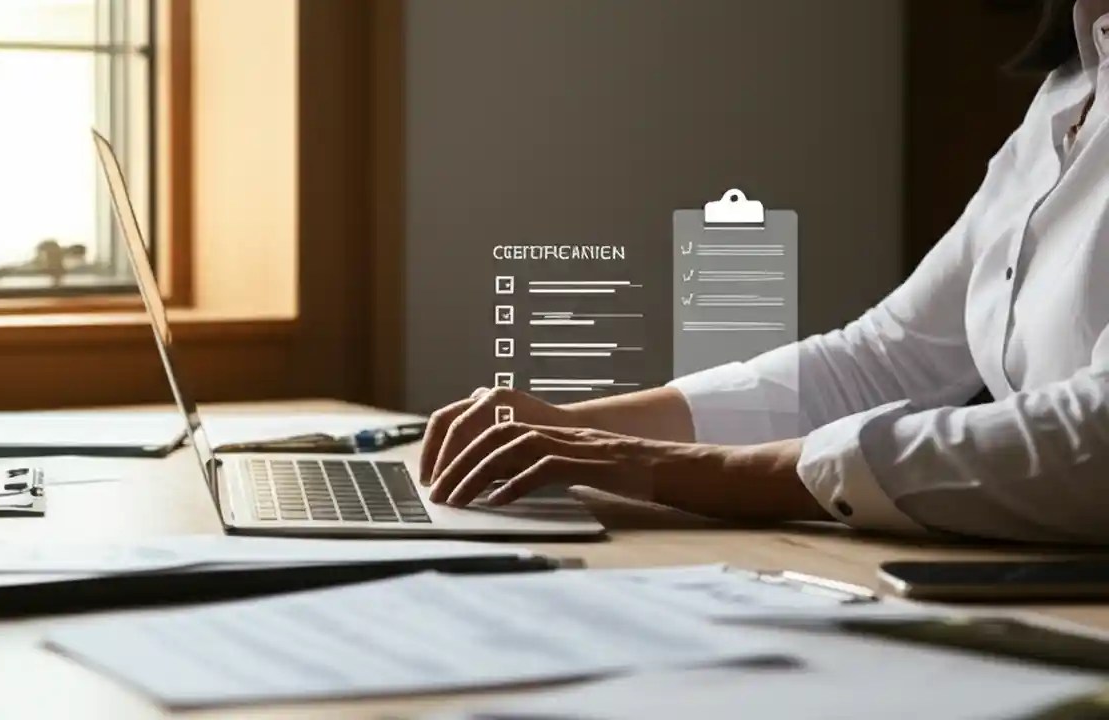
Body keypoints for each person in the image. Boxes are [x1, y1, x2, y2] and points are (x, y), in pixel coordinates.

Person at [419, 0, 1109, 544]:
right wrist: (567, 434)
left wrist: (674, 471)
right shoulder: (1072, 89)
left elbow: (1097, 437)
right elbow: (886, 360)